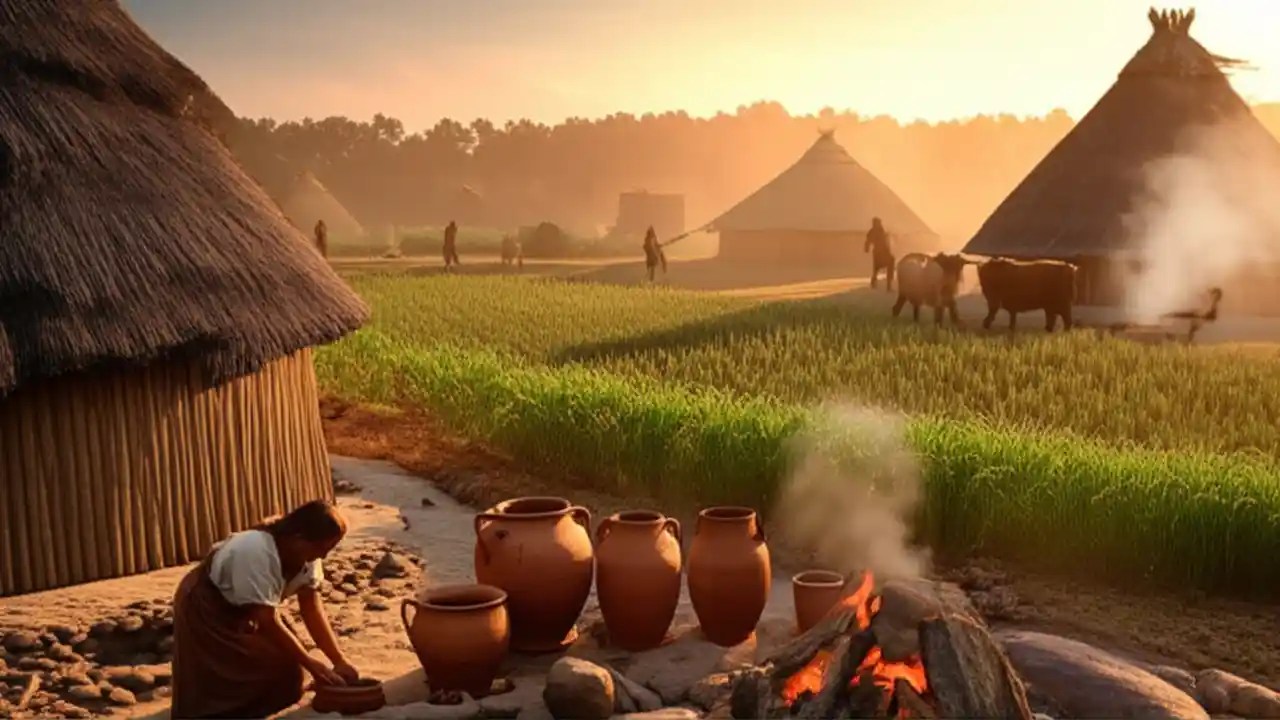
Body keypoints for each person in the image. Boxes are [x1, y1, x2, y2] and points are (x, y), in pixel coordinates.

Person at [170, 500, 358, 719]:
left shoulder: (308, 556)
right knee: (219, 673)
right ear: (298, 538)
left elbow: (311, 608)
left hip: (251, 608)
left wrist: (339, 660)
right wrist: (312, 664)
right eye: (322, 548)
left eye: (329, 549)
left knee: (288, 671)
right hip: (209, 606)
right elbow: (267, 620)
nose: (324, 556)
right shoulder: (255, 551)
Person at [865, 217, 895, 291]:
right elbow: (868, 241)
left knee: (879, 268)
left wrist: (867, 248)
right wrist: (867, 248)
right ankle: (885, 284)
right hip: (879, 253)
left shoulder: (880, 230)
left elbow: (885, 240)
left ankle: (887, 284)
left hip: (882, 252)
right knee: (877, 268)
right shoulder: (874, 231)